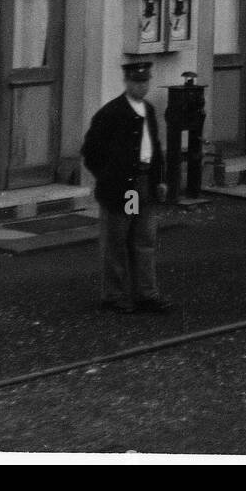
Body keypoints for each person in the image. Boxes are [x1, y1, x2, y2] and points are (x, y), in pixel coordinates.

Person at [81, 58, 171, 314]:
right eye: (136, 82)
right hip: (122, 188)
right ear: (127, 82)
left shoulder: (149, 110)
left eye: (145, 82)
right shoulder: (111, 113)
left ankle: (146, 294)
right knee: (117, 240)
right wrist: (108, 177)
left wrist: (159, 179)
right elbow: (91, 151)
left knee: (144, 239)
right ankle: (114, 295)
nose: (142, 87)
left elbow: (155, 148)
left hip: (144, 182)